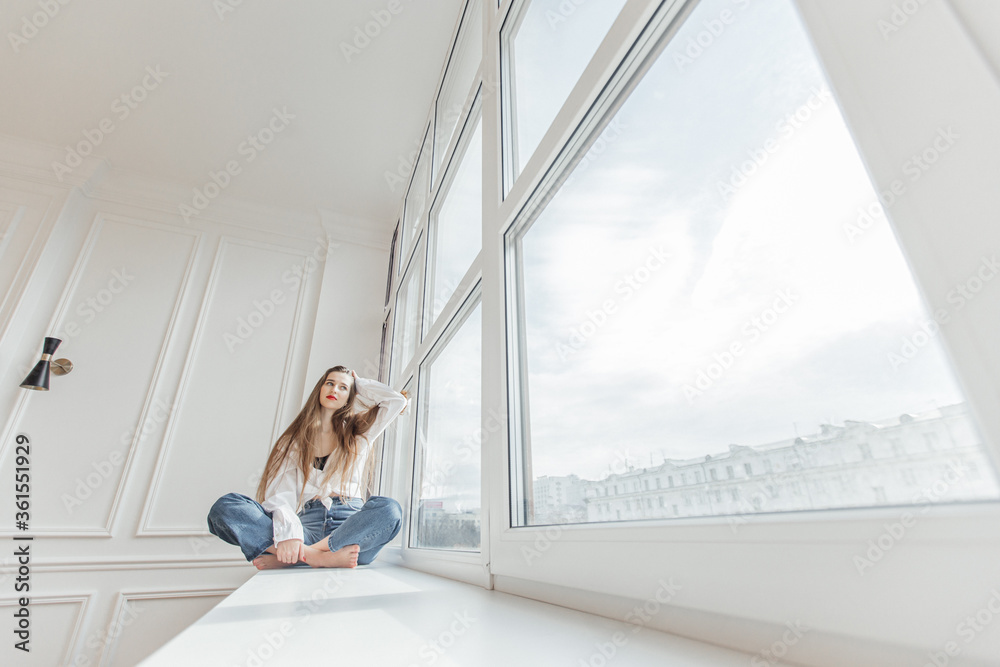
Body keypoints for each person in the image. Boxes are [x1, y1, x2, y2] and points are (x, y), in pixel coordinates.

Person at [207, 366, 407, 569]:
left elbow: (396, 401)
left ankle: (295, 557)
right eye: (329, 383)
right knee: (226, 507)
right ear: (319, 388)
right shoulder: (292, 441)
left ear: (350, 396)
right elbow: (282, 495)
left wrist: (359, 383)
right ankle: (314, 557)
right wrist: (291, 535)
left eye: (343, 387)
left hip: (351, 532)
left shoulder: (359, 434)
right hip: (306, 529)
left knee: (390, 510)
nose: (334, 390)